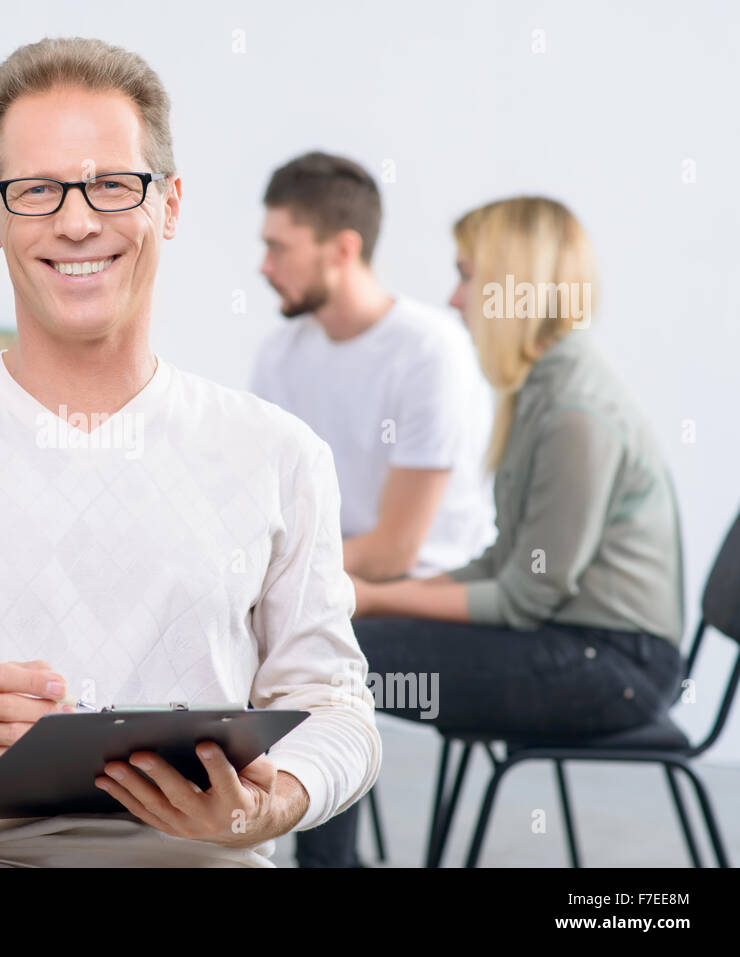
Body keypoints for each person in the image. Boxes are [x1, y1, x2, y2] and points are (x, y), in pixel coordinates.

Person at [0, 36, 382, 868]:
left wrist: (280, 797)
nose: (78, 220)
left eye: (112, 185)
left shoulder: (278, 453)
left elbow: (336, 704)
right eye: (38, 190)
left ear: (169, 204)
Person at [294, 196, 687, 867]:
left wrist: (370, 595)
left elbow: (523, 597)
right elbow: (506, 561)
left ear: (514, 287)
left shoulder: (575, 411)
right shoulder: (543, 388)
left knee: (337, 658)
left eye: (467, 274)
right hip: (573, 644)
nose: (454, 297)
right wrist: (366, 590)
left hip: (609, 668)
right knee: (335, 644)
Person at [252, 152, 495, 583]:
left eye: (279, 248)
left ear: (344, 249)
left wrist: (270, 575)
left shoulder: (429, 351)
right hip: (322, 586)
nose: (265, 268)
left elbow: (394, 552)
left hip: (421, 596)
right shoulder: (279, 354)